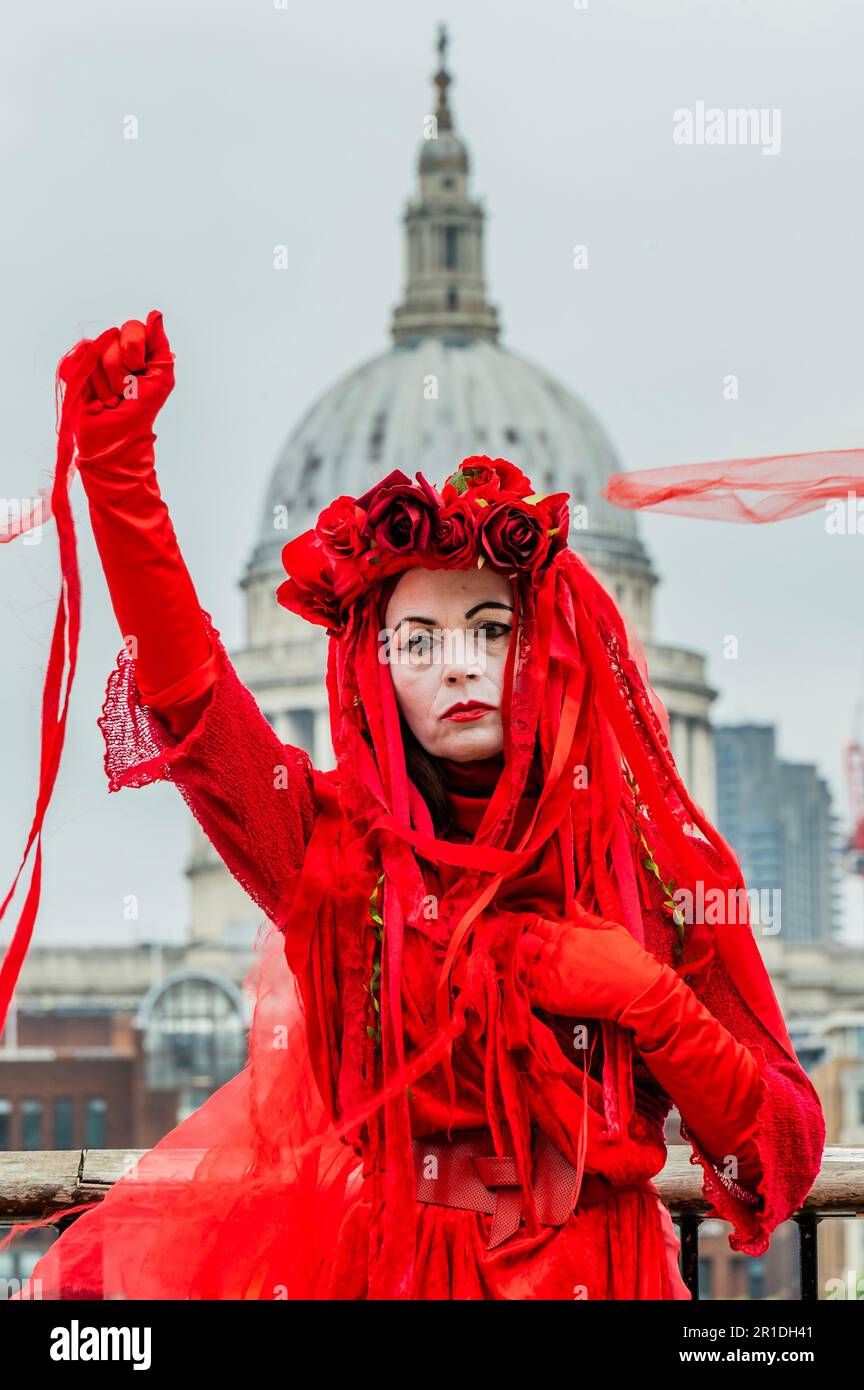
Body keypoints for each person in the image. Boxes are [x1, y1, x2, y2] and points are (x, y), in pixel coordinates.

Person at [2, 312, 825, 1300]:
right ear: (370, 670)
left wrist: (650, 1002)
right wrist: (121, 472)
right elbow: (195, 700)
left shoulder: (650, 873)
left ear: (543, 646)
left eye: (488, 624)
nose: (461, 663)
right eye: (419, 637)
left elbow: (773, 1158)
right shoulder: (328, 857)